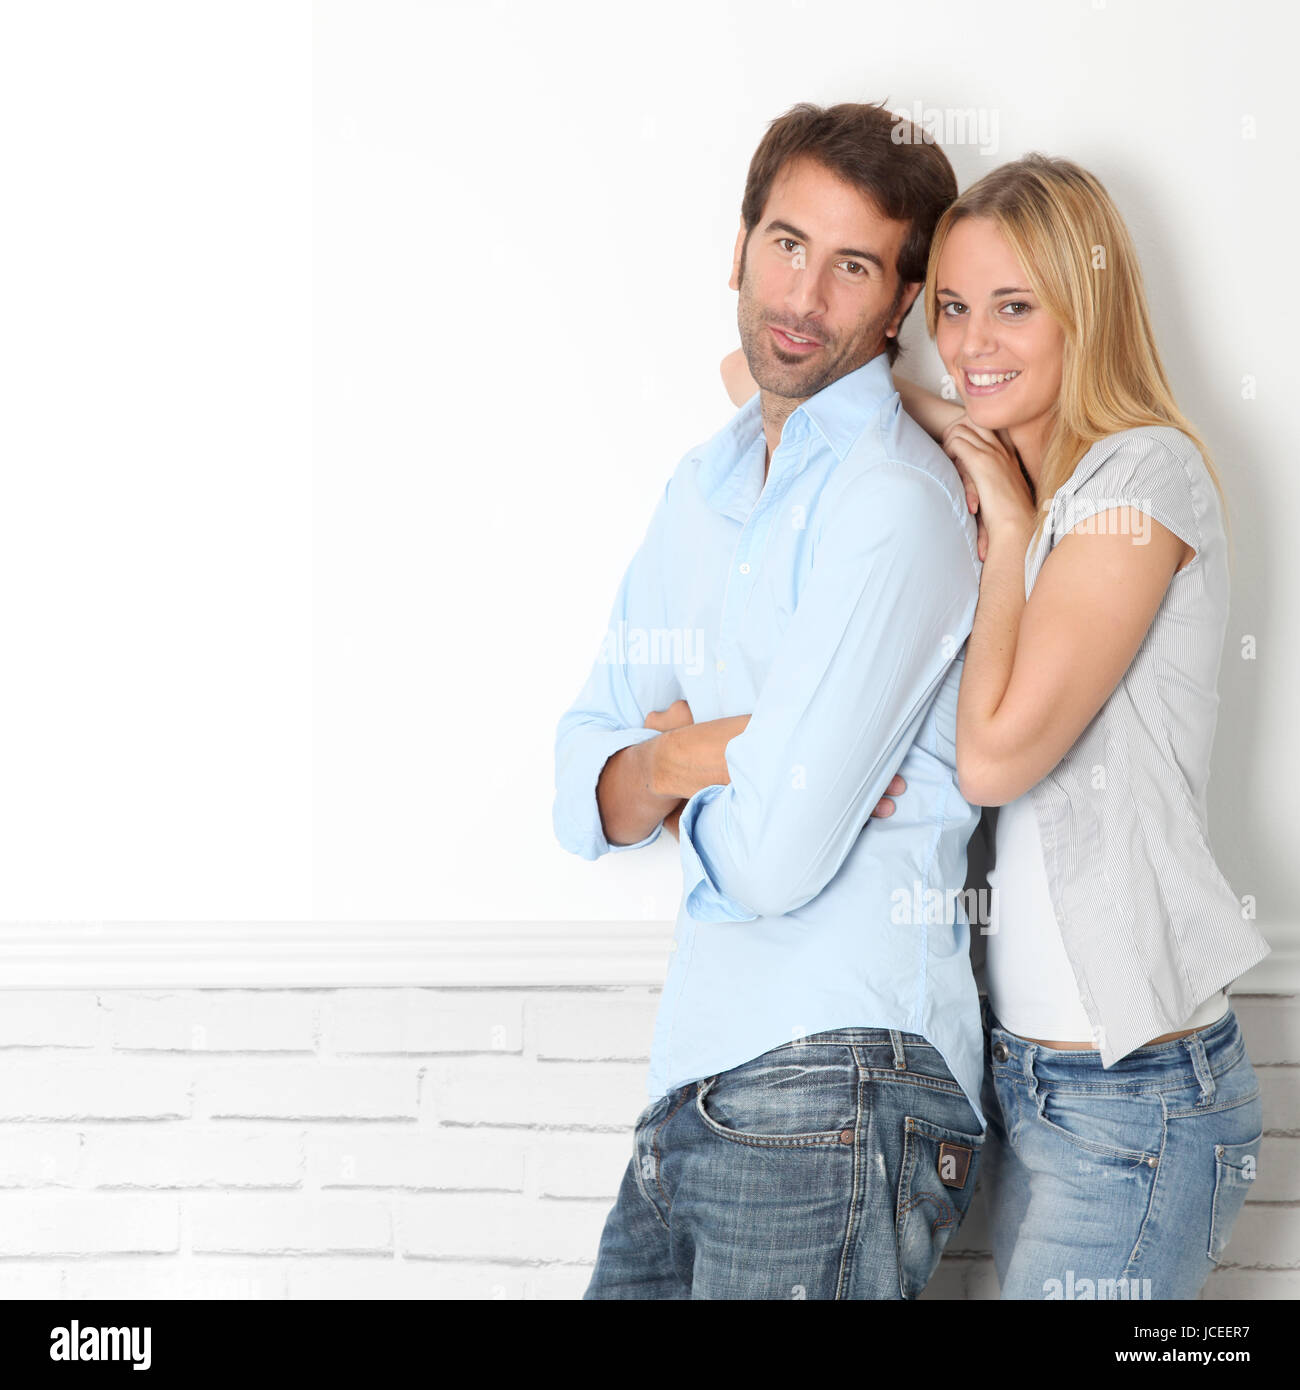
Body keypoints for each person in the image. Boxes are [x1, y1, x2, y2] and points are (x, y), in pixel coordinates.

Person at [719, 152, 1270, 1299]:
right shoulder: (1020, 471)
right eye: (956, 309)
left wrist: (1009, 526)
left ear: (1087, 309)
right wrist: (972, 449)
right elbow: (751, 376)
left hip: (1139, 1092)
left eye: (1014, 308)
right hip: (1031, 1079)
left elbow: (994, 755)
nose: (972, 345)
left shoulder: (1137, 483)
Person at [552, 100, 991, 1299]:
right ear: (739, 244)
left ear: (900, 302)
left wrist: (668, 772)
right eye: (786, 244)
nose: (802, 297)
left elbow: (776, 856)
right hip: (698, 1069)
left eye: (852, 267)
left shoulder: (893, 503)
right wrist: (704, 756)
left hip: (844, 1072)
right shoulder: (699, 488)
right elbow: (580, 781)